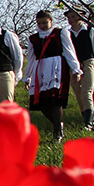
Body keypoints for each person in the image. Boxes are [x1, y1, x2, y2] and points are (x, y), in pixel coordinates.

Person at [24, 10, 82, 142]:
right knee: (41, 103)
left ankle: (57, 133)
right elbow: (31, 57)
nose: (42, 26)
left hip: (57, 67)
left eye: (45, 23)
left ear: (51, 21)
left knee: (55, 101)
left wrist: (75, 69)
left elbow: (69, 51)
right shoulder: (33, 38)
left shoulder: (61, 33)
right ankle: (58, 124)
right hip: (40, 68)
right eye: (39, 23)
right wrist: (27, 76)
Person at [65, 8, 94, 129]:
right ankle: (90, 119)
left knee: (86, 92)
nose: (71, 20)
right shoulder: (67, 33)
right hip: (74, 65)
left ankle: (88, 123)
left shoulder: (90, 30)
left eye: (73, 16)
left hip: (88, 62)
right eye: (69, 17)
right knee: (78, 94)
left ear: (81, 16)